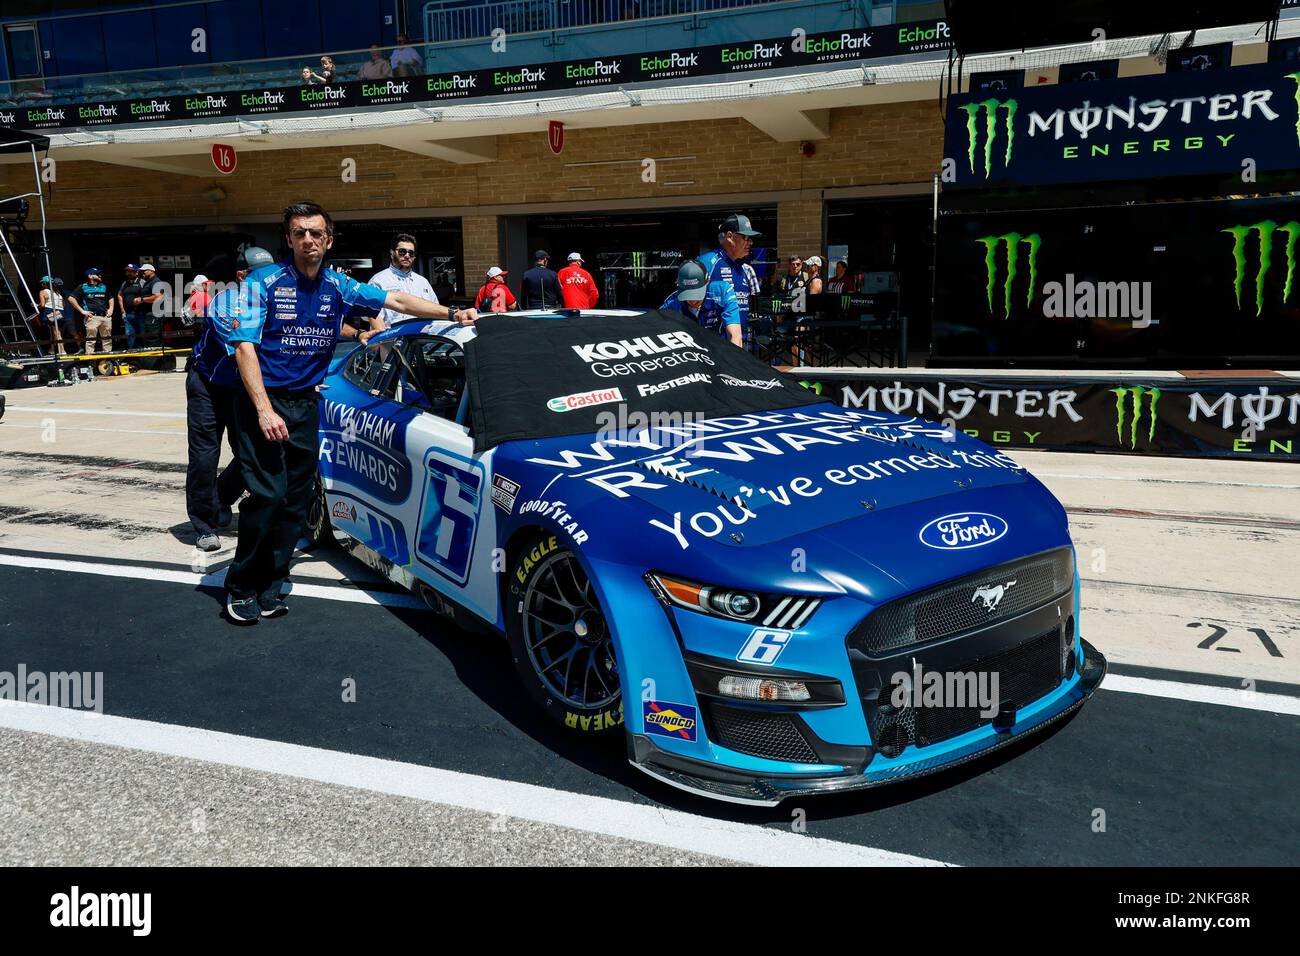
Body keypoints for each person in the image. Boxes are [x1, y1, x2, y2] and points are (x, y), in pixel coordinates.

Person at [223, 200, 478, 625]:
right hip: (260, 403)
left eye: (316, 233)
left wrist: (454, 312)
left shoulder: (338, 287)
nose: (308, 240)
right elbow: (244, 346)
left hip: (306, 400)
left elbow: (397, 299)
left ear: (329, 240)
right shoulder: (262, 282)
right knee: (267, 495)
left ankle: (272, 582)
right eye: (300, 233)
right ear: (288, 239)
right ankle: (241, 585)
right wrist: (264, 409)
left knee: (296, 498)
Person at [186, 246, 275, 552]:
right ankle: (204, 524)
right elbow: (245, 352)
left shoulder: (275, 301)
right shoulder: (224, 303)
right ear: (242, 276)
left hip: (240, 387)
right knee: (204, 457)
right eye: (263, 274)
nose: (272, 279)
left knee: (249, 452)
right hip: (208, 386)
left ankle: (222, 496)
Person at [698, 213, 761, 348]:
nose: (750, 242)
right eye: (746, 237)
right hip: (712, 346)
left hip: (739, 343)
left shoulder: (743, 268)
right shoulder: (707, 262)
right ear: (730, 237)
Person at [661, 260, 742, 347]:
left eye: (697, 294)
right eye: (687, 295)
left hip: (720, 351)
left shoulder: (722, 292)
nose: (693, 300)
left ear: (707, 281)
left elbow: (735, 336)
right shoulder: (670, 305)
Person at [368, 233, 437, 330]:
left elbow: (434, 311)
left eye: (411, 253)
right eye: (402, 252)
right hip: (393, 340)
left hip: (422, 340)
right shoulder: (378, 281)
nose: (407, 255)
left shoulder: (423, 282)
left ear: (414, 257)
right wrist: (385, 344)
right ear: (392, 253)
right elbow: (374, 316)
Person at [70, 267, 114, 354]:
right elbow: (71, 298)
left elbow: (111, 298)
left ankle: (108, 360)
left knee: (107, 339)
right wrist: (82, 311)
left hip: (105, 317)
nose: (100, 275)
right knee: (91, 340)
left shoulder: (103, 286)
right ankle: (90, 361)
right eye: (97, 274)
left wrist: (111, 309)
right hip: (92, 317)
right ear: (90, 276)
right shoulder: (83, 287)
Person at [135, 262, 166, 348]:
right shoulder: (148, 282)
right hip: (149, 314)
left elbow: (158, 297)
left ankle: (154, 359)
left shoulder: (156, 281)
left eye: (144, 271)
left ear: (151, 271)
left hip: (154, 314)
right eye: (141, 271)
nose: (142, 273)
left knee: (153, 338)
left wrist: (142, 299)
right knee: (150, 337)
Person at [37, 276, 70, 356]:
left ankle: (62, 351)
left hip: (50, 311)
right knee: (53, 331)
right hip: (60, 311)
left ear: (44, 284)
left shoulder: (43, 292)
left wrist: (36, 306)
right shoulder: (58, 292)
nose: (41, 284)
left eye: (42, 283)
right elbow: (64, 305)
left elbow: (43, 305)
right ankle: (52, 350)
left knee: (56, 332)